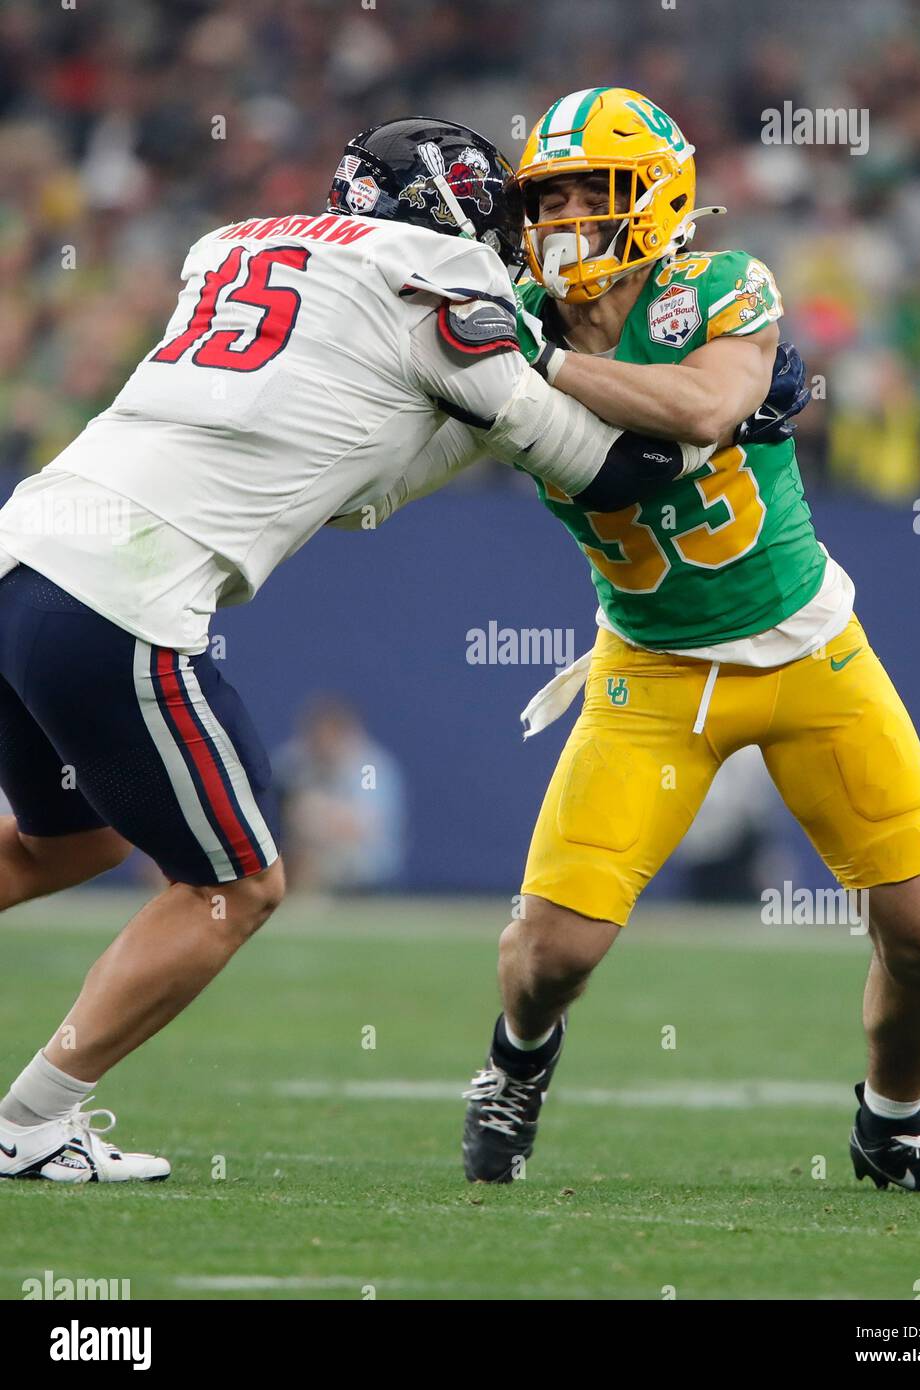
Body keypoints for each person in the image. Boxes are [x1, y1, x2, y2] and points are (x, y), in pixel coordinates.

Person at [0, 115, 733, 1183]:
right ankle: (30, 1119)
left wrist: (486, 405)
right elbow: (609, 471)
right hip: (124, 596)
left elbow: (361, 478)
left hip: (26, 545)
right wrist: (723, 414)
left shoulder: (238, 242)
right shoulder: (442, 287)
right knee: (234, 887)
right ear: (463, 209)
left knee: (66, 843)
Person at [461, 88, 920, 1198]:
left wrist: (538, 368)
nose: (565, 215)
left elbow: (710, 410)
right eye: (549, 194)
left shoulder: (715, 285)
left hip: (811, 650)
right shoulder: (500, 312)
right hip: (651, 668)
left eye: (592, 191)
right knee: (552, 955)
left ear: (654, 198)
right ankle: (516, 1065)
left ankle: (893, 1127)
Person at [275, 696, 406, 894]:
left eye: (331, 736)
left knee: (314, 858)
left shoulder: (370, 767)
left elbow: (365, 828)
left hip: (358, 856)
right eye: (318, 736)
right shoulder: (292, 763)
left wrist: (318, 816)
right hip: (296, 851)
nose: (324, 743)